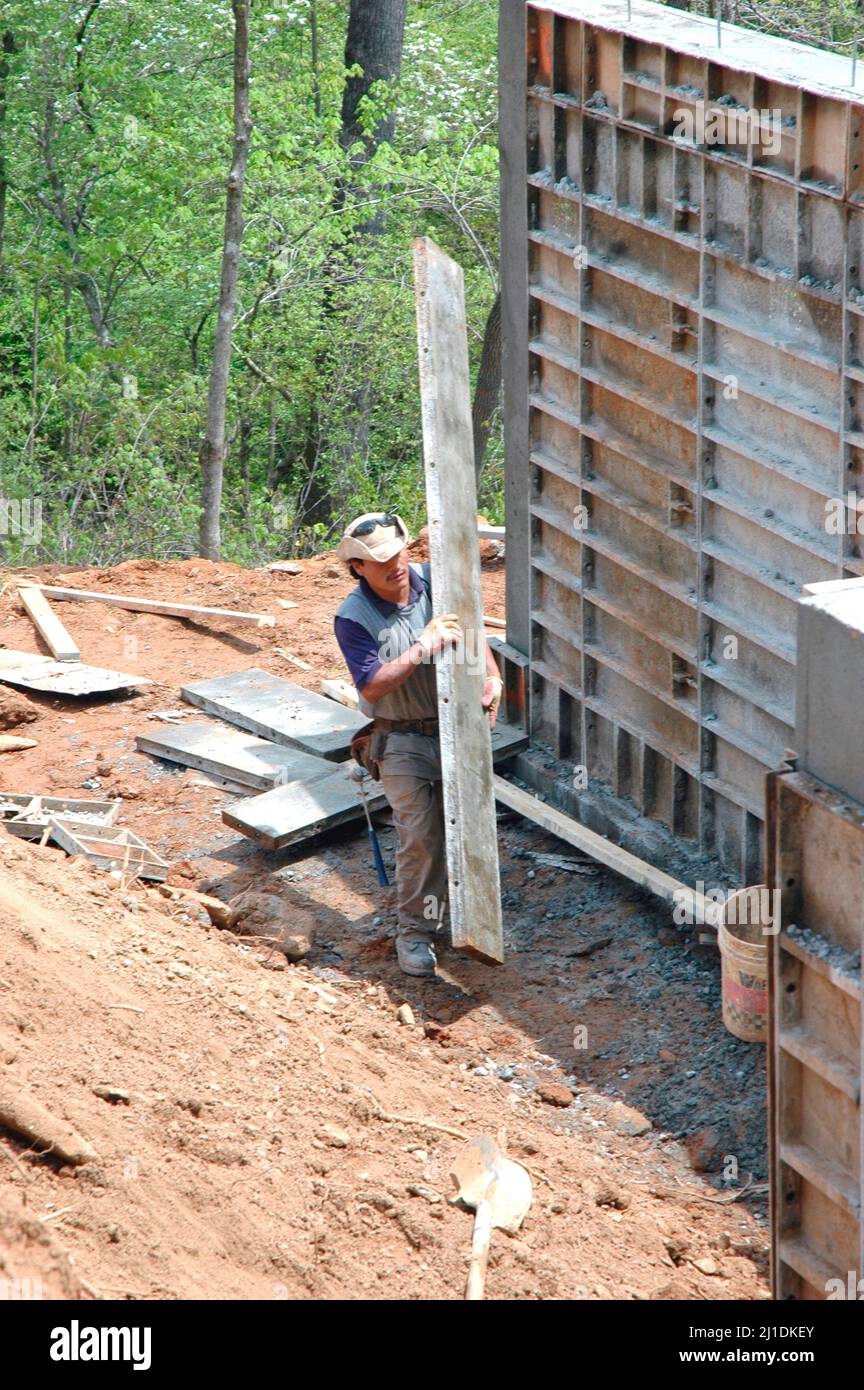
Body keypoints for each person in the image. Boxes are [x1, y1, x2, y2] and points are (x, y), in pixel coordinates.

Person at [334, 512, 503, 976]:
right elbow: (370, 687)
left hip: (457, 727)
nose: (395, 566)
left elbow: (469, 628)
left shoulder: (436, 582)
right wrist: (421, 648)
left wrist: (491, 677)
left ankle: (470, 918)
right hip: (400, 738)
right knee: (422, 837)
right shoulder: (353, 618)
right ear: (358, 568)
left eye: (398, 553)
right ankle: (415, 932)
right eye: (380, 561)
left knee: (467, 825)